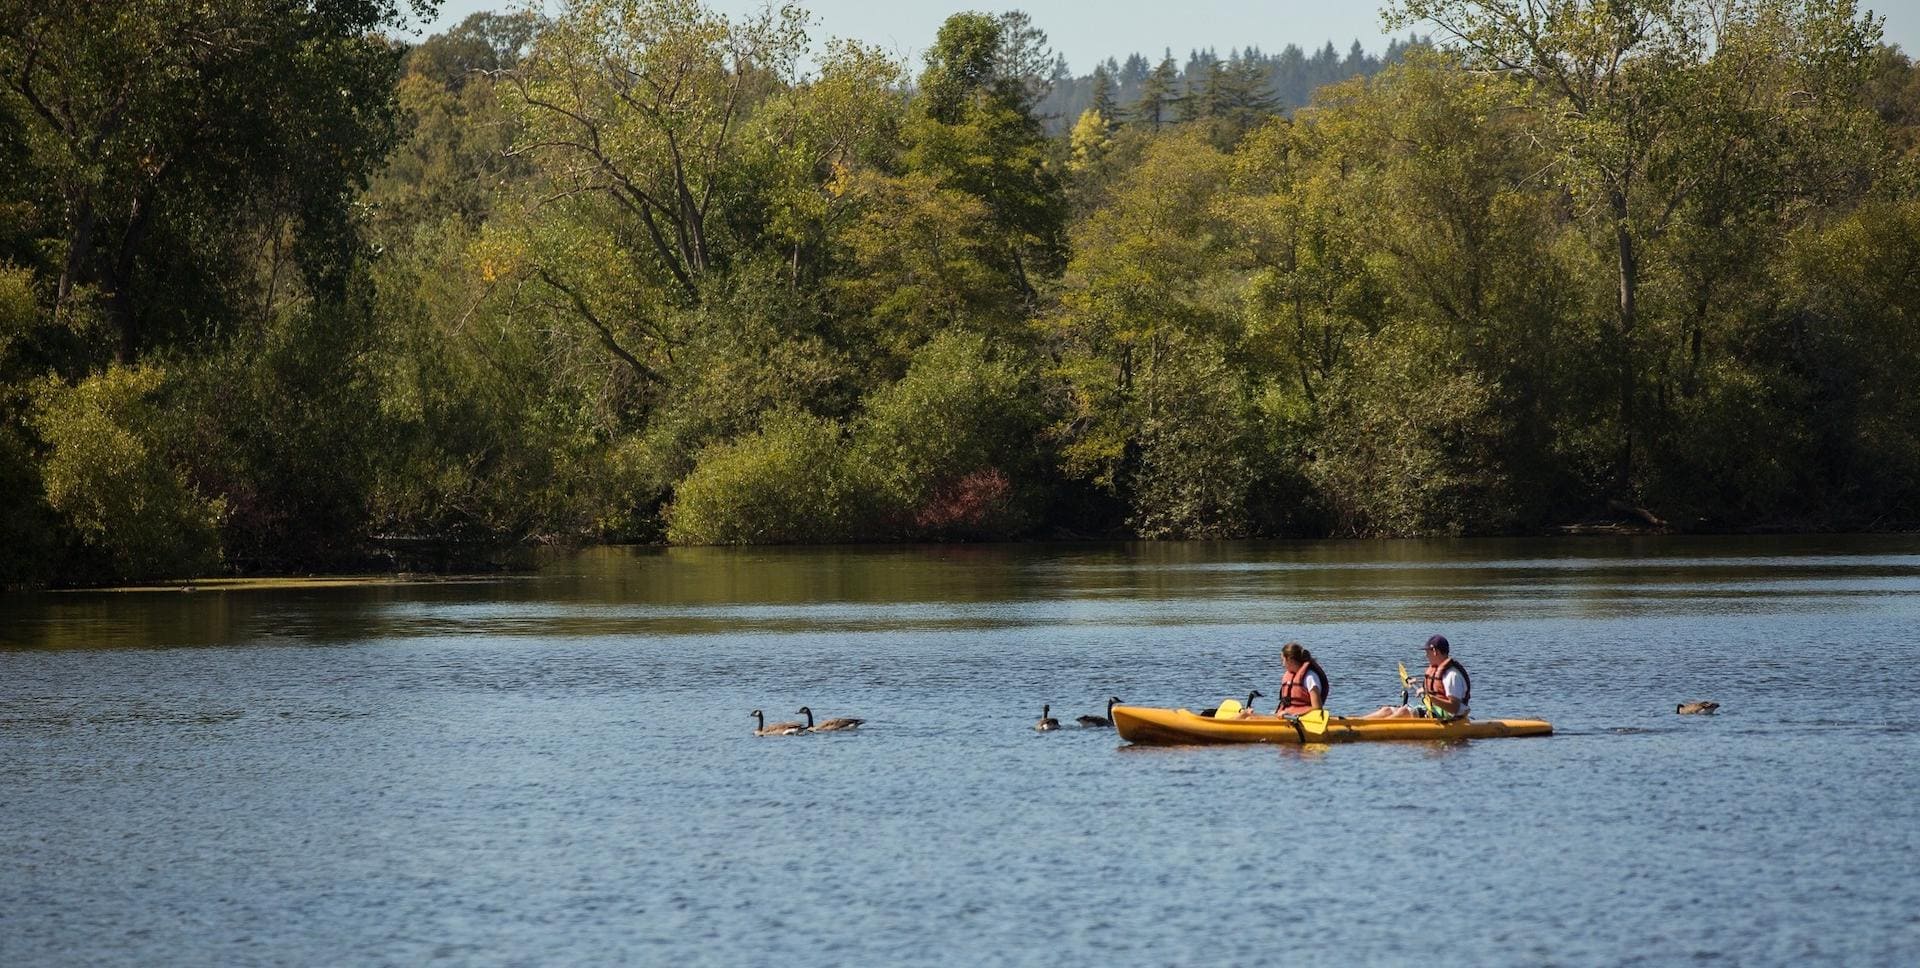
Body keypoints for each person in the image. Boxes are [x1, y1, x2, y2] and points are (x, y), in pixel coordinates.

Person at [1362, 634, 1471, 720]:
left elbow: (1454, 707)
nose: (1426, 655)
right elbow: (1437, 691)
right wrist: (1421, 686)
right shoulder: (1440, 671)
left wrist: (1430, 697)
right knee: (1387, 710)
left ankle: (1372, 729)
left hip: (1449, 717)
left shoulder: (1452, 676)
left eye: (1427, 652)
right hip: (1434, 710)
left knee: (1404, 712)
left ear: (1434, 651)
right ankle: (1357, 722)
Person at [1239, 641, 1329, 719]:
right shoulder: (1290, 676)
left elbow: (1317, 708)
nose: (1282, 664)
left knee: (1248, 717)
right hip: (1286, 717)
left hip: (1298, 720)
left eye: (1282, 660)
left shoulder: (1310, 678)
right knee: (1247, 715)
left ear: (1289, 659)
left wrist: (1292, 714)